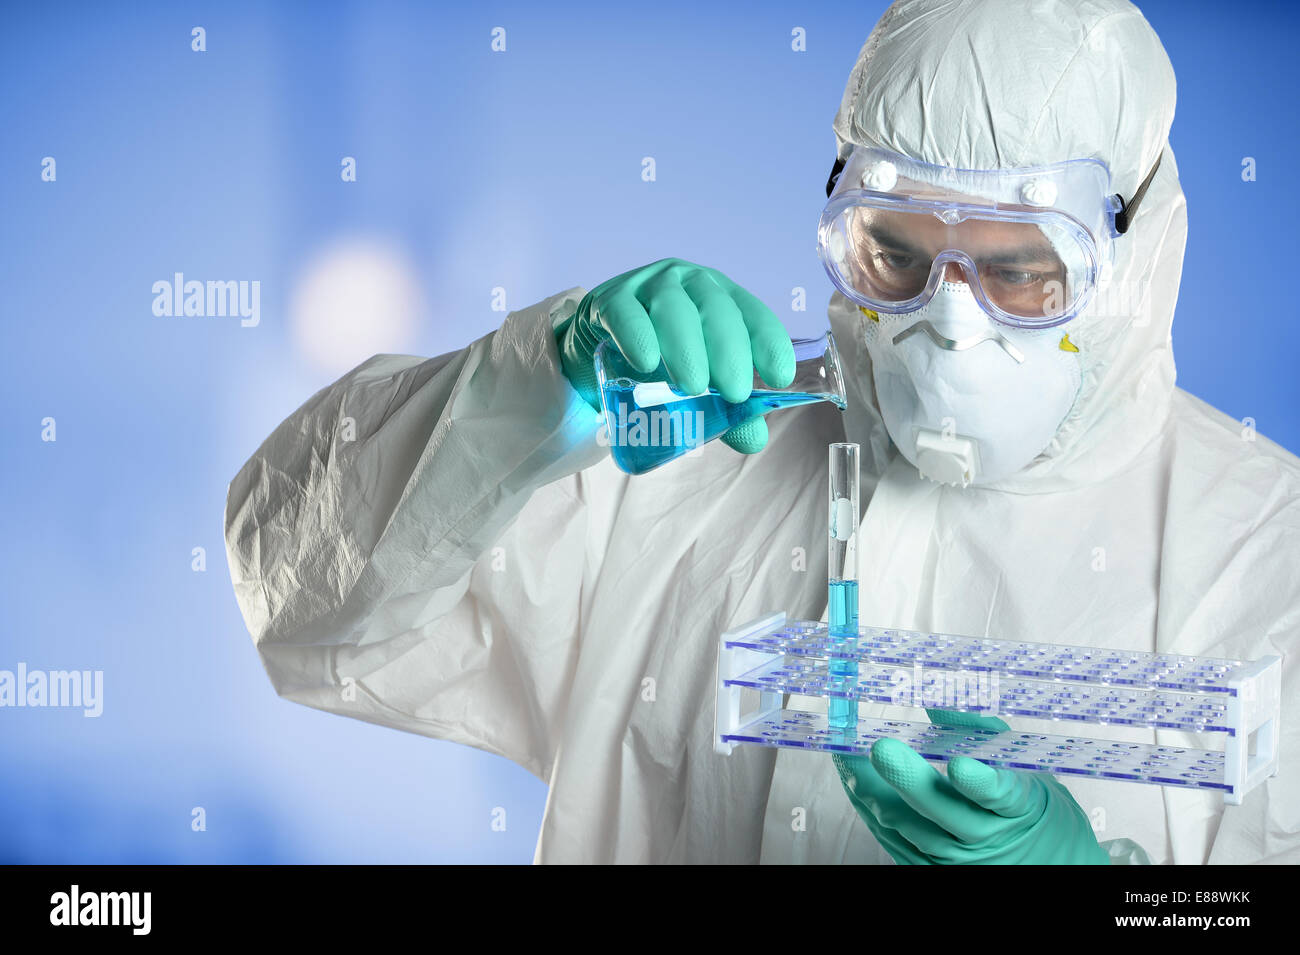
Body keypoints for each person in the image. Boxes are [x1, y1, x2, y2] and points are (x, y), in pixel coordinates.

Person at [224, 0, 1300, 864]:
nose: (948, 320)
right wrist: (528, 389)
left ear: (1134, 249)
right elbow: (307, 608)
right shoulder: (679, 446)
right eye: (897, 256)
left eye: (1020, 270)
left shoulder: (1266, 555)